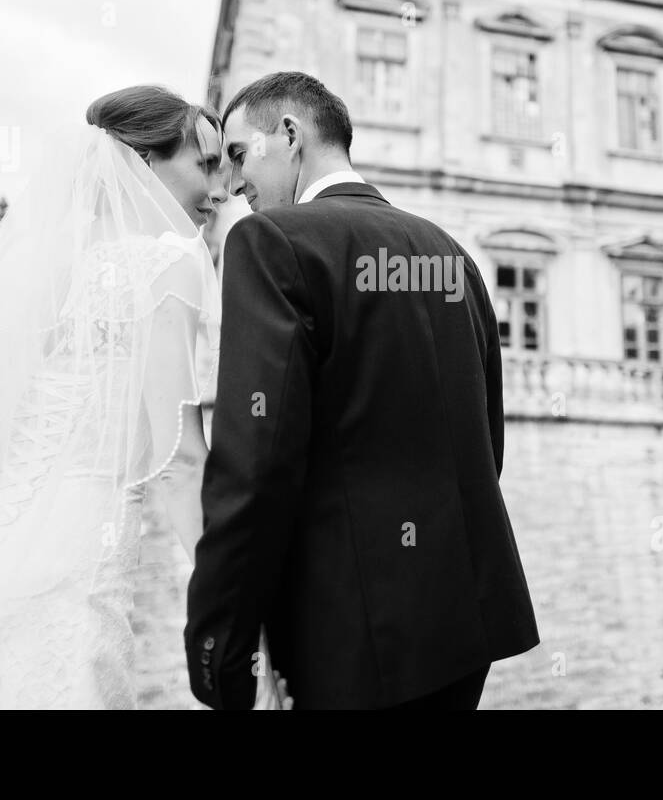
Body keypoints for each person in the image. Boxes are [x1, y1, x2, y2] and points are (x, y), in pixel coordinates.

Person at [0, 86, 283, 709]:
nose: (219, 189)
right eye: (204, 164)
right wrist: (233, 606)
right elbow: (179, 459)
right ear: (142, 164)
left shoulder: (45, 273)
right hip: (70, 570)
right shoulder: (170, 263)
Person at [186, 71, 540, 710]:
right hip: (465, 626)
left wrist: (220, 653)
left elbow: (254, 465)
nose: (233, 182)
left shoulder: (272, 242)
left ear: (289, 135)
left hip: (349, 639)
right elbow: (486, 441)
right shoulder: (450, 253)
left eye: (240, 155)